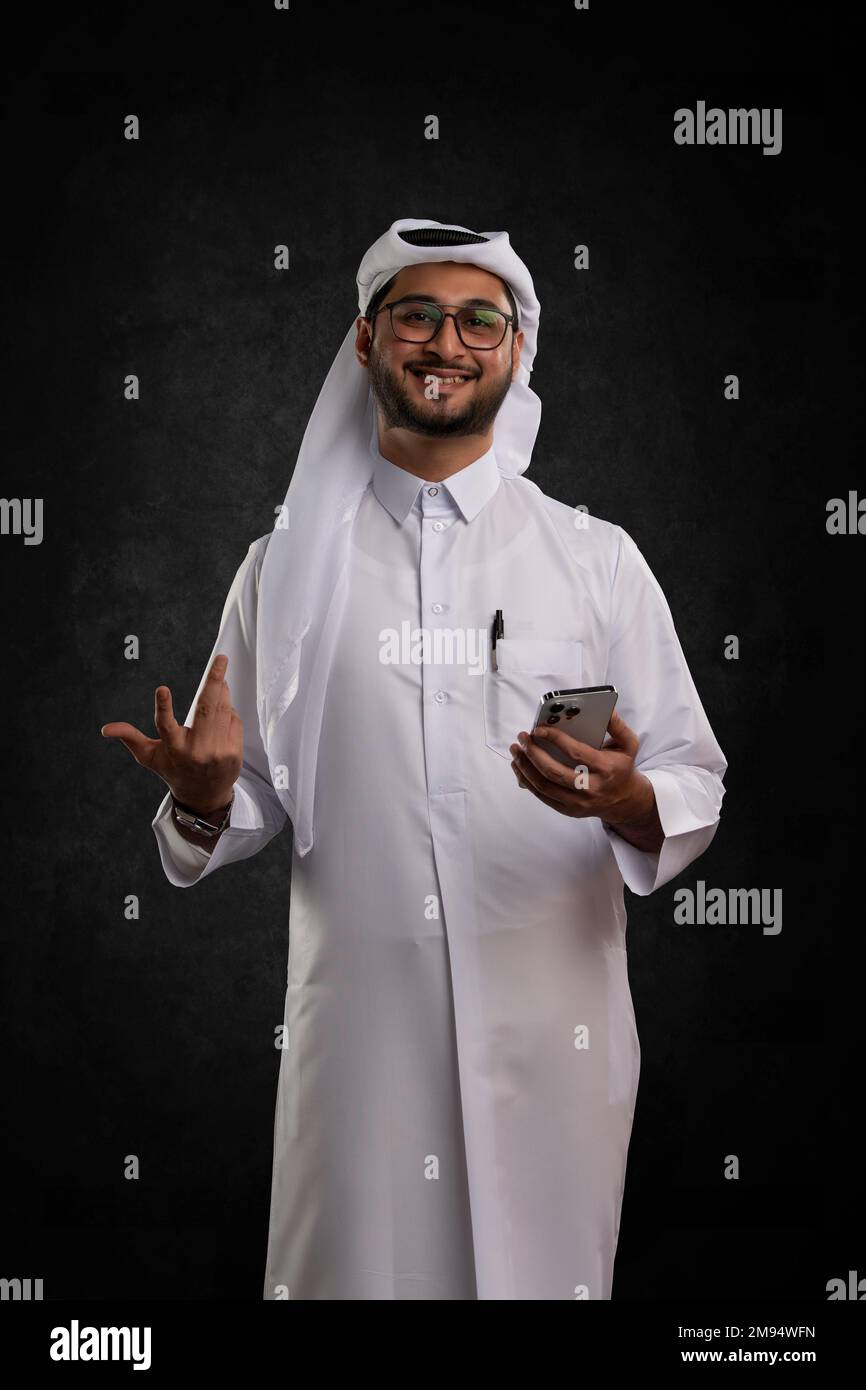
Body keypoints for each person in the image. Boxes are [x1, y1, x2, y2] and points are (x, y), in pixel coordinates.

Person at [101, 218, 727, 1300]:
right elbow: (246, 786)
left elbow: (691, 776)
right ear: (363, 341)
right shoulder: (282, 569)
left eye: (478, 318)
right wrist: (205, 801)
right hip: (361, 1051)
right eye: (416, 315)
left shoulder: (594, 561)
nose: (447, 341)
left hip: (553, 1042)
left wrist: (628, 798)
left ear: (515, 349)